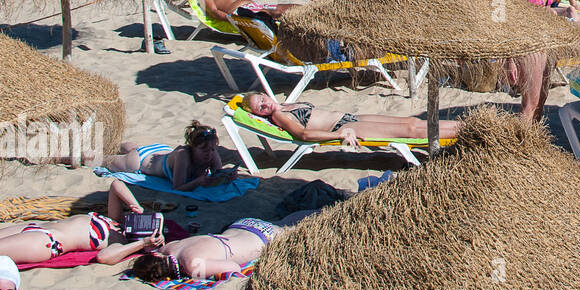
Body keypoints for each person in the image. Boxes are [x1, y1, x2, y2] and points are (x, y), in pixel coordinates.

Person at [0, 179, 161, 267]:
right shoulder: (116, 220)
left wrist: (142, 244)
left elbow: (104, 258)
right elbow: (115, 185)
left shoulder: (118, 242)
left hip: (47, 241)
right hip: (39, 227)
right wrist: (134, 205)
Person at [127, 212, 317, 282]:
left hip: (263, 239)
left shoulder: (193, 267)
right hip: (242, 223)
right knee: (289, 221)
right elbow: (152, 250)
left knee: (298, 228)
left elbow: (233, 267)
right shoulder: (169, 248)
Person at [238, 92, 458, 144]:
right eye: (261, 109)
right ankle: (464, 132)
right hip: (344, 125)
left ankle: (463, 126)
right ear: (260, 114)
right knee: (410, 132)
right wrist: (337, 134)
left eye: (262, 99)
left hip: (350, 116)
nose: (266, 104)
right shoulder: (279, 114)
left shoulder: (284, 103)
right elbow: (302, 134)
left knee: (412, 122)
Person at [104, 122, 237, 191]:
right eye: (204, 150)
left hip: (162, 152)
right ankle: (111, 144)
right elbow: (177, 187)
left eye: (213, 149)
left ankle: (121, 144)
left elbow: (217, 175)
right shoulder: (183, 155)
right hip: (141, 160)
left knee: (133, 148)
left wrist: (227, 177)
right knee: (101, 159)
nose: (209, 153)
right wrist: (198, 182)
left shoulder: (212, 153)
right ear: (193, 147)